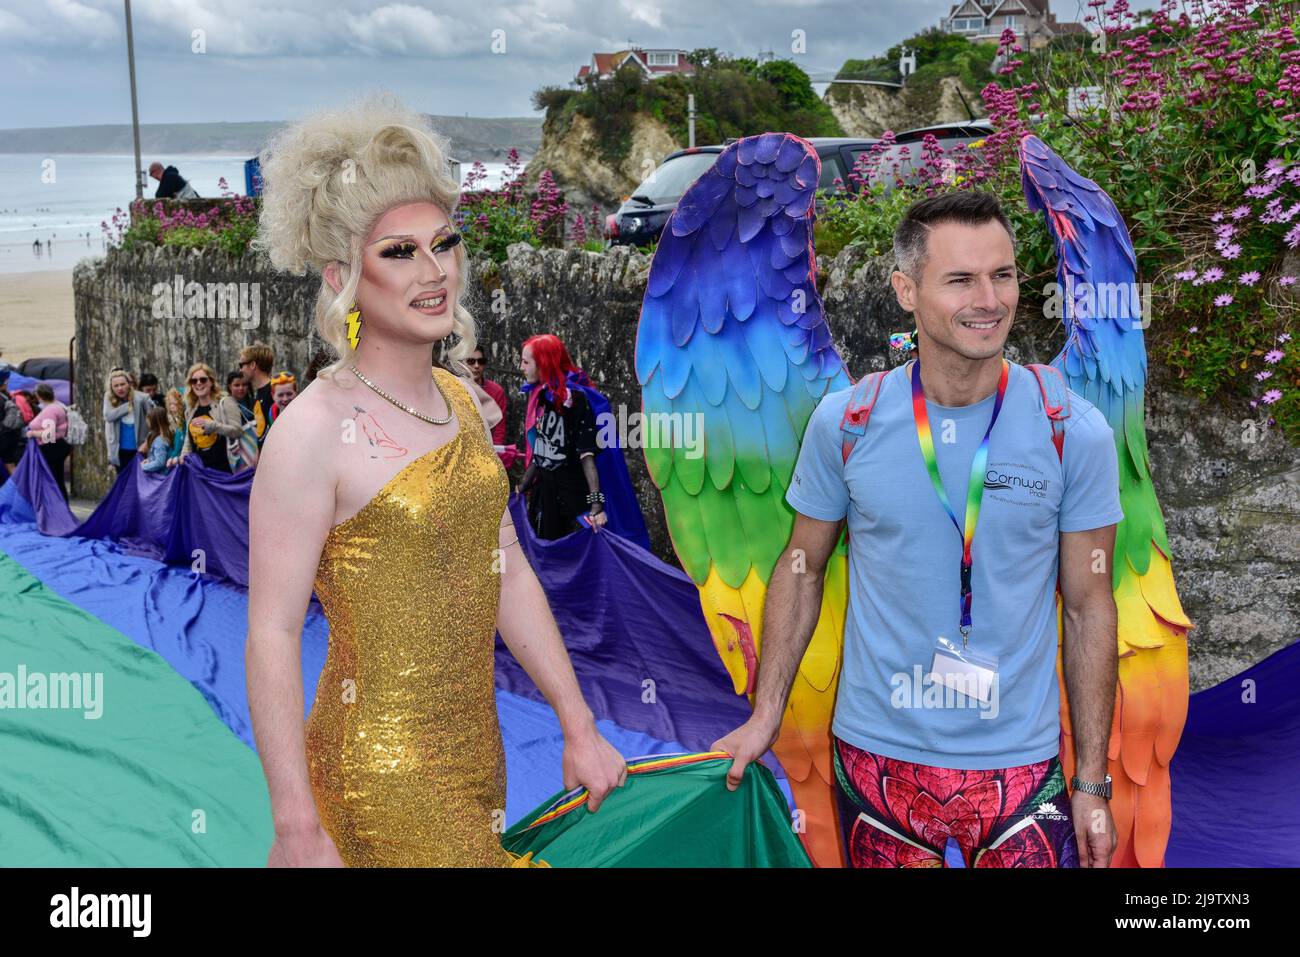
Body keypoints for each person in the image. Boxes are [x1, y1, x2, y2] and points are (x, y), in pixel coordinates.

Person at [246, 93, 625, 868]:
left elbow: (509, 568)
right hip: (376, 774)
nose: (434, 272)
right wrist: (295, 823)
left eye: (443, 243)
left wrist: (577, 723)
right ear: (342, 276)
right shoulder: (311, 433)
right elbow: (271, 632)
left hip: (476, 759)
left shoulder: (460, 401)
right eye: (398, 252)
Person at [712, 190, 1125, 870]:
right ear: (906, 289)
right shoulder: (846, 424)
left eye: (1003, 274)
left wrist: (1091, 782)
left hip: (1022, 768)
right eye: (960, 279)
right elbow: (802, 565)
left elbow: (1089, 605)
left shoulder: (1071, 432)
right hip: (878, 759)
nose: (988, 299)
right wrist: (766, 715)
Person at [516, 334, 607, 538]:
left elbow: (587, 455)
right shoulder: (541, 396)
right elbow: (542, 449)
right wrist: (521, 487)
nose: (521, 367)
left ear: (543, 364)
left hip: (571, 498)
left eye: (526, 362)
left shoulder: (576, 400)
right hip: (545, 494)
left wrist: (596, 504)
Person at [180, 362, 243, 473]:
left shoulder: (225, 402)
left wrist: (212, 426)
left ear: (211, 382)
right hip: (199, 473)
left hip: (224, 471)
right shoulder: (190, 410)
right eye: (194, 381)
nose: (198, 383)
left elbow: (237, 431)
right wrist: (183, 455)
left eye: (203, 380)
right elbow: (188, 439)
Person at [24, 383, 71, 499]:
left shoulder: (50, 410)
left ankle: (58, 505)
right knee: (56, 478)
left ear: (39, 395)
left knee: (54, 478)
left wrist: (32, 433)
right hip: (56, 446)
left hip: (51, 447)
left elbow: (49, 434)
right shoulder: (58, 406)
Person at [102, 368, 153, 472]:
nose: (120, 388)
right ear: (111, 388)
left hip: (140, 450)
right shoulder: (109, 397)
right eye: (116, 386)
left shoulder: (142, 398)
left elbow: (155, 423)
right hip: (119, 452)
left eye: (123, 384)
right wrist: (128, 406)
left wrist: (147, 442)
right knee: (123, 484)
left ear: (129, 384)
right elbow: (108, 416)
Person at [466, 344, 510, 455]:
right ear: (463, 363)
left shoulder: (496, 391)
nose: (476, 366)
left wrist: (494, 455)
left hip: (488, 450)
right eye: (471, 361)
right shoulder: (455, 387)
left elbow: (499, 429)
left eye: (481, 361)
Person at [238, 343, 276, 447]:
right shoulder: (261, 392)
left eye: (241, 365)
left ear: (252, 365)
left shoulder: (274, 392)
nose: (240, 370)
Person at [0, 370, 27, 478]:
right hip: (12, 434)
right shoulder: (8, 397)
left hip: (3, 435)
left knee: (9, 462)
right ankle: (18, 489)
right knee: (10, 463)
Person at [139, 406, 175, 474]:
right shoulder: (165, 435)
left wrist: (143, 467)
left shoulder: (159, 441)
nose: (147, 423)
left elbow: (160, 462)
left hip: (161, 476)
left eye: (149, 420)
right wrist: (149, 460)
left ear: (154, 422)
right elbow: (158, 455)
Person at [163, 388, 187, 468]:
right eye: (170, 404)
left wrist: (176, 457)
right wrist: (172, 457)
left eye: (175, 403)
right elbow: (176, 447)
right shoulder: (178, 425)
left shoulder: (186, 424)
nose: (171, 407)